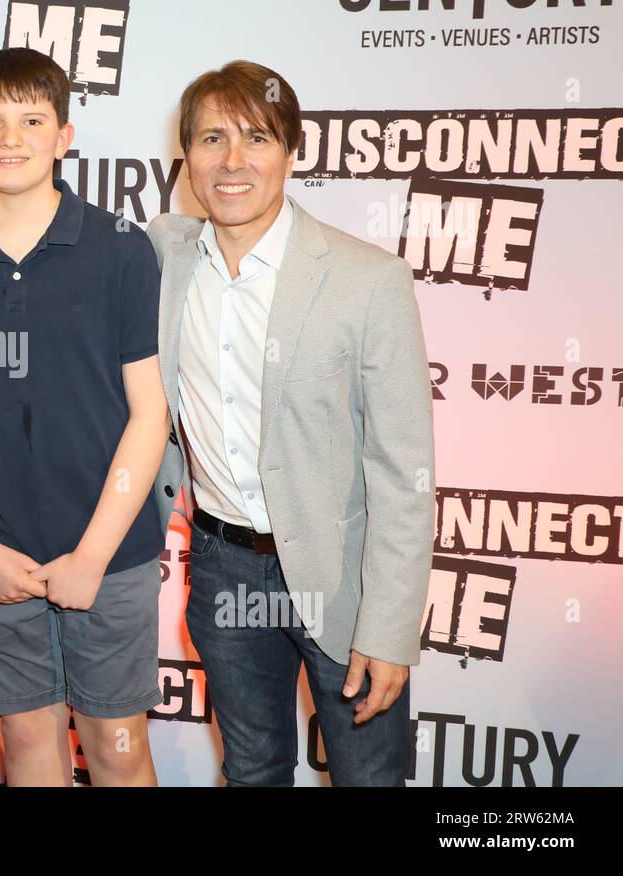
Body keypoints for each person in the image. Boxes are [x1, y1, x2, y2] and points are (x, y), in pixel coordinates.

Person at [148, 60, 435, 786]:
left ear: (292, 151)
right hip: (221, 565)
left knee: (370, 776)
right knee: (252, 770)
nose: (233, 161)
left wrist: (391, 628)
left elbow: (405, 474)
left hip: (343, 577)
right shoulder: (162, 258)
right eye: (212, 139)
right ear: (186, 158)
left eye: (257, 138)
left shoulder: (367, 280)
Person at [0, 47, 169, 786]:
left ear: (65, 136)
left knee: (117, 748)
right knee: (25, 747)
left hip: (112, 557)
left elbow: (149, 414)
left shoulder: (122, 250)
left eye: (32, 120)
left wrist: (91, 557)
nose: (11, 137)